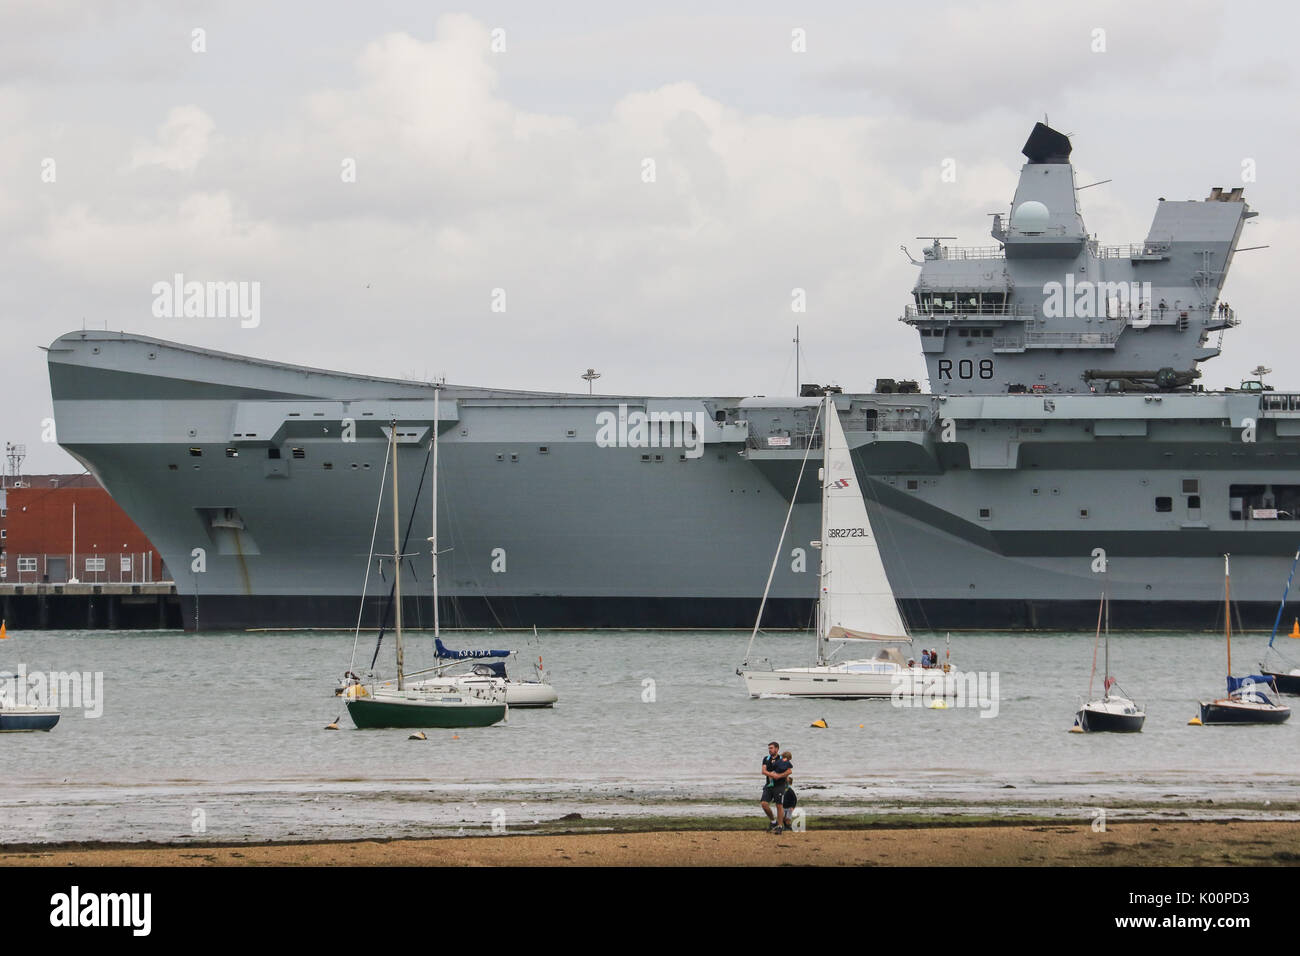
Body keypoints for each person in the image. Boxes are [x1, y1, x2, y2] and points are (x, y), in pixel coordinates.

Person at [760, 741, 785, 832]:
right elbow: (763, 771)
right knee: (764, 804)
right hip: (769, 785)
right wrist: (771, 774)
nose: (769, 750)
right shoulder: (766, 758)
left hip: (779, 785)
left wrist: (779, 776)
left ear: (777, 749)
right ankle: (773, 822)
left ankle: (780, 826)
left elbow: (789, 771)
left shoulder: (782, 759)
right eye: (769, 748)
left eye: (771, 748)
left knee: (779, 805)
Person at [780, 750, 798, 824]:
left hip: (788, 806)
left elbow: (794, 799)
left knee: (787, 818)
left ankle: (787, 826)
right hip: (783, 806)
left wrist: (792, 807)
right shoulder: (781, 762)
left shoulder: (789, 790)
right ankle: (782, 825)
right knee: (782, 816)